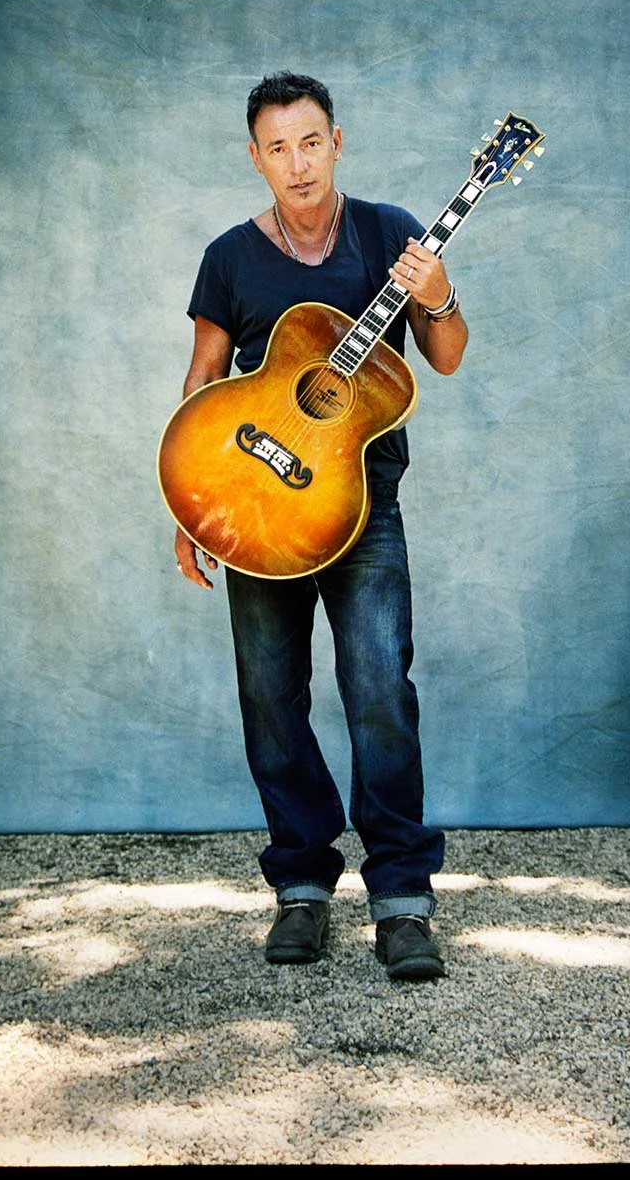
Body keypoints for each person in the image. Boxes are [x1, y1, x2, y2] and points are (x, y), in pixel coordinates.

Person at [173, 70, 468, 983]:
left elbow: (446, 358)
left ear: (336, 143)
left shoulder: (389, 234)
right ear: (255, 157)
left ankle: (402, 899)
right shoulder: (230, 256)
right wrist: (190, 502)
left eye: (310, 142)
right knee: (271, 696)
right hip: (258, 505)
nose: (297, 163)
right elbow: (203, 384)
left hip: (363, 509)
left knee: (380, 690)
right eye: (278, 148)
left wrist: (438, 294)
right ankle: (301, 885)